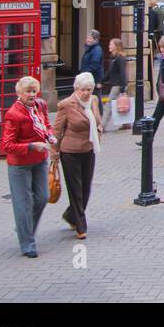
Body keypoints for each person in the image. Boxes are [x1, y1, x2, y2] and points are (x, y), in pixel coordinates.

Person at [2, 75, 57, 257]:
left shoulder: (40, 105)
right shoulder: (13, 114)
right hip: (20, 165)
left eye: (34, 91)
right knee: (23, 203)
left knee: (42, 197)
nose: (32, 94)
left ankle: (23, 228)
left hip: (39, 159)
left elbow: (46, 125)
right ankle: (28, 244)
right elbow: (7, 145)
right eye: (28, 91)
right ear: (19, 93)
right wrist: (31, 146)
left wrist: (50, 136)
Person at [52, 71, 103, 239]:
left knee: (86, 188)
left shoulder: (94, 101)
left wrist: (99, 128)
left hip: (89, 149)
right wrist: (54, 152)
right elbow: (57, 130)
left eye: (89, 89)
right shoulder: (66, 104)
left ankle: (70, 215)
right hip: (70, 151)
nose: (87, 93)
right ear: (76, 89)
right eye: (83, 89)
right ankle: (81, 226)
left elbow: (97, 120)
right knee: (76, 190)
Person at [103, 38, 131, 130]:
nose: (109, 46)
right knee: (122, 104)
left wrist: (123, 88)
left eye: (111, 44)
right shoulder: (113, 57)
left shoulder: (120, 58)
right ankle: (126, 124)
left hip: (118, 85)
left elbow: (123, 73)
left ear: (116, 46)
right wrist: (101, 80)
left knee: (109, 104)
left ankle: (102, 126)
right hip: (116, 84)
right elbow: (109, 72)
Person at [79, 29, 104, 101]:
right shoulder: (90, 49)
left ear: (95, 40)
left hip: (94, 78)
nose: (87, 40)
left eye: (90, 38)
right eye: (87, 38)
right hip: (88, 78)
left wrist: (84, 74)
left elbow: (94, 65)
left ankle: (99, 112)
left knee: (96, 98)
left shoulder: (97, 50)